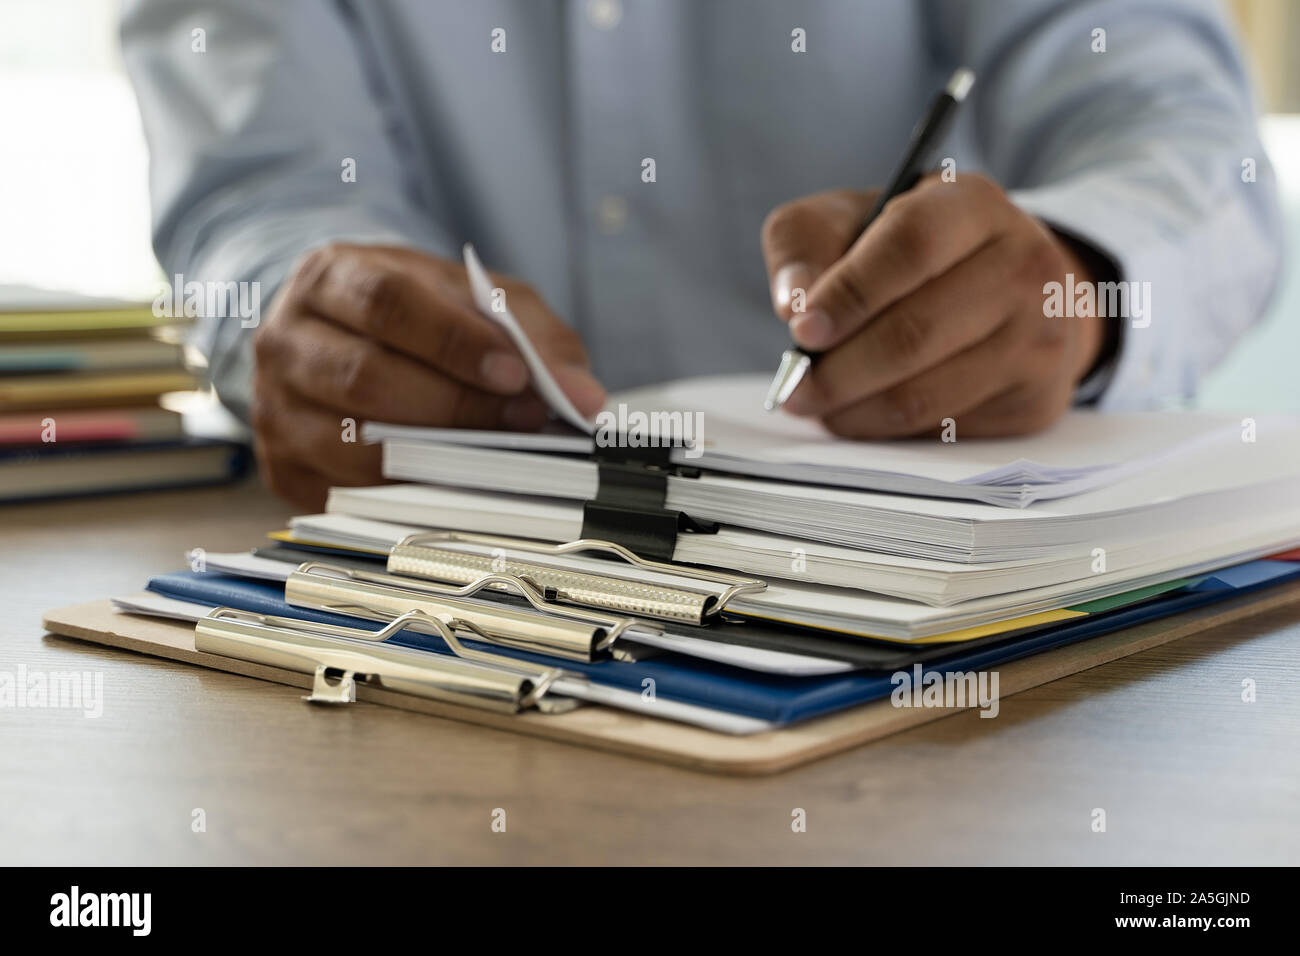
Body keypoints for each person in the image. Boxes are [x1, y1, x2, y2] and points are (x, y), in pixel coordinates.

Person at [121, 0, 1282, 509]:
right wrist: (312, 315)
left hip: (973, 641)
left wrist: (1075, 276)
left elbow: (1178, 137)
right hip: (456, 610)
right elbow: (259, 198)